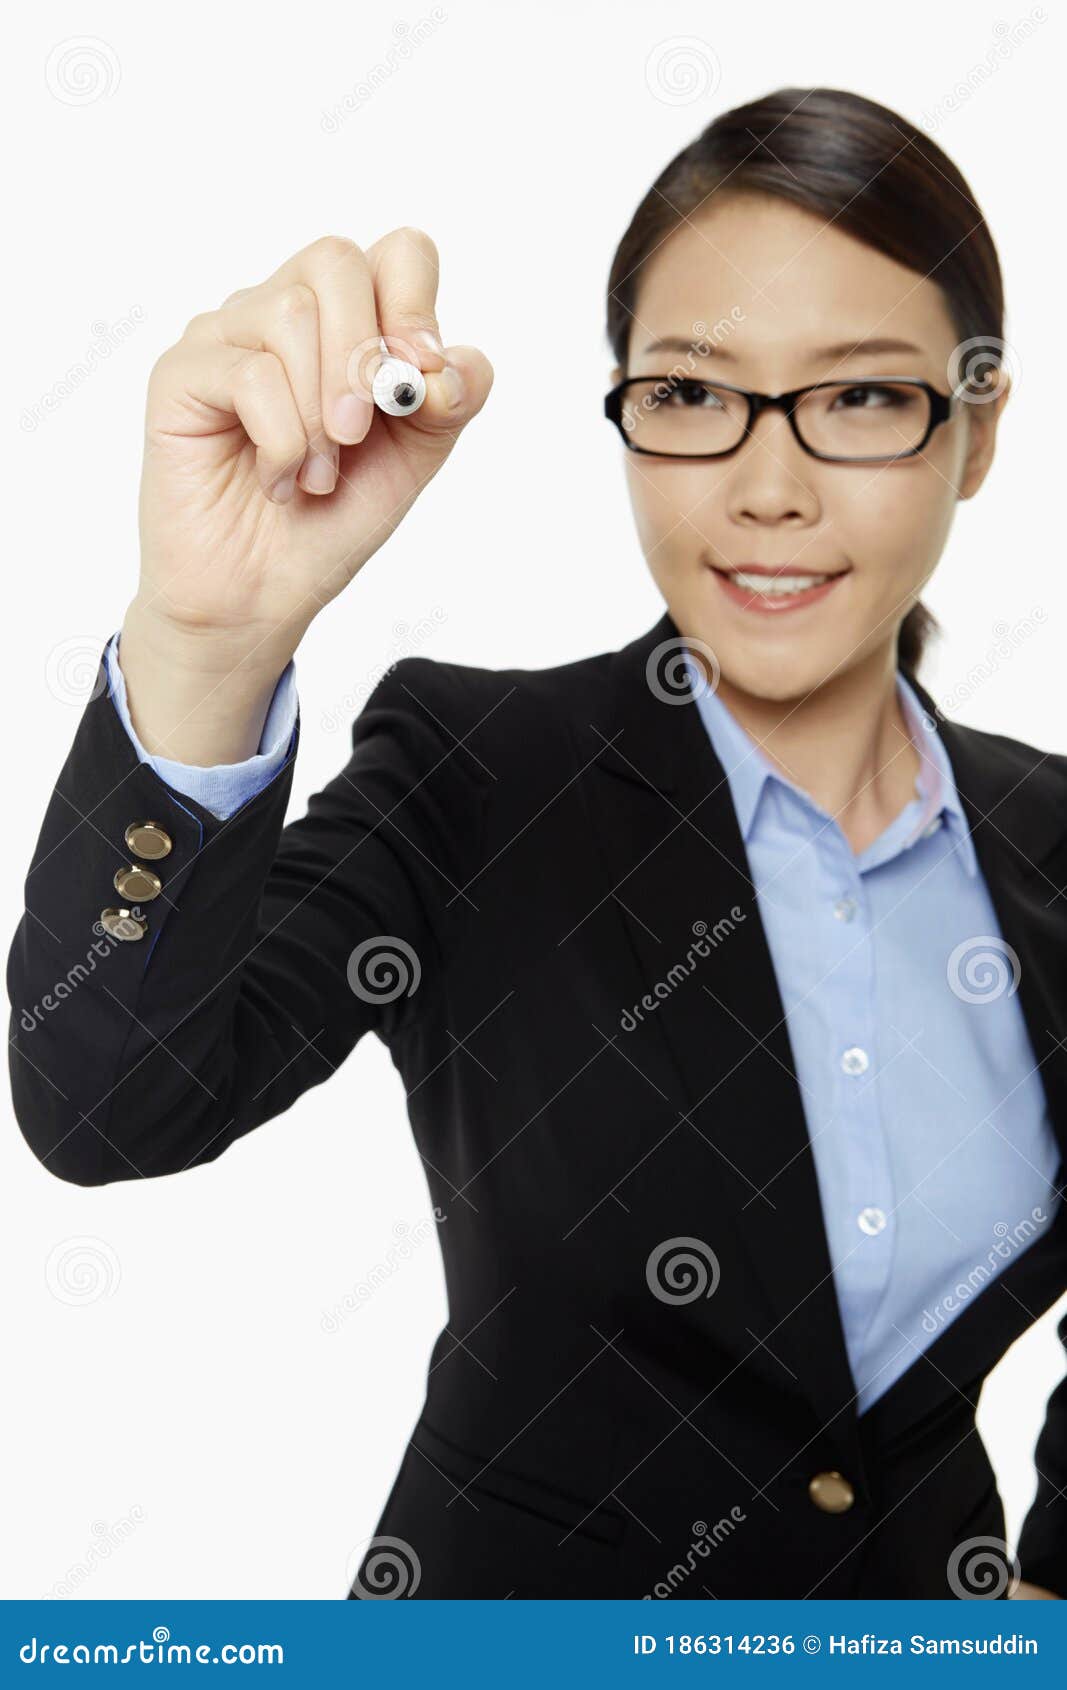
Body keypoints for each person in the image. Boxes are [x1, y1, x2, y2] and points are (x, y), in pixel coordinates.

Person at [8, 85, 1067, 1600]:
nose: (769, 487)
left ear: (973, 430)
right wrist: (207, 636)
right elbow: (107, 1101)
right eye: (696, 396)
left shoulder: (1051, 840)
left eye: (859, 397)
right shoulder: (479, 772)